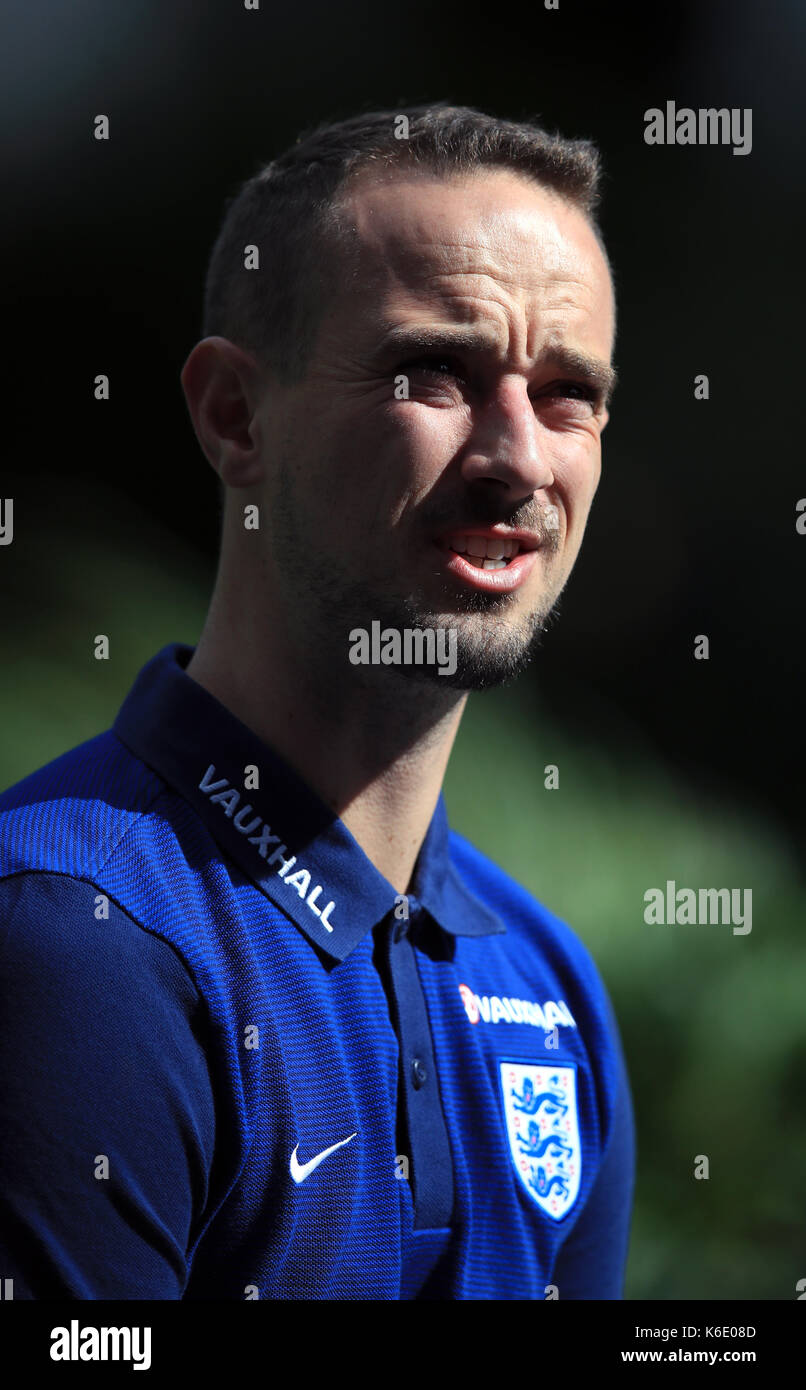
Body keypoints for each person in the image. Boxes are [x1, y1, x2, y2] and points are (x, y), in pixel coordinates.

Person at [0, 103, 634, 1299]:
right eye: (432, 371)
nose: (518, 456)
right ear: (234, 415)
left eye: (565, 394)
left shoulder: (546, 984)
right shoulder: (69, 944)